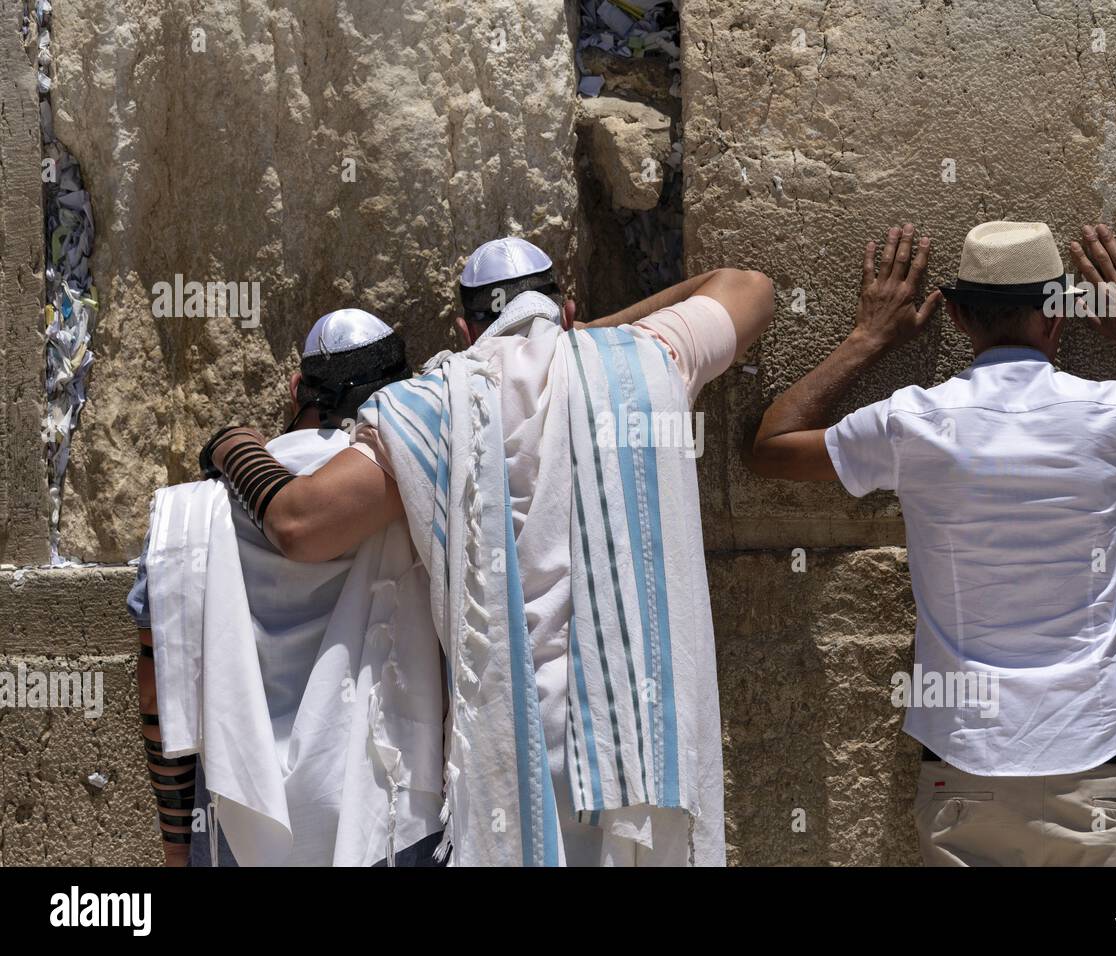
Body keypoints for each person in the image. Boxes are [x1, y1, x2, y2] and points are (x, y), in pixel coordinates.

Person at [198, 237, 775, 866]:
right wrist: (566, 341)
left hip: (519, 750)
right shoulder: (649, 356)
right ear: (569, 307)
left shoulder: (433, 408)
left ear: (464, 327)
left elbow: (297, 521)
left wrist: (232, 444)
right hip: (636, 744)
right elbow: (746, 284)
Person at [747, 220, 1116, 866]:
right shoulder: (1115, 414)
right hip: (1096, 754)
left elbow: (772, 448)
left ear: (960, 316)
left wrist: (868, 338)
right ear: (1057, 318)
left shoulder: (914, 422)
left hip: (967, 762)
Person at [129, 309, 447, 867]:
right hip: (390, 821)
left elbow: (161, 695)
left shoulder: (191, 518)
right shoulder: (415, 493)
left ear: (297, 387)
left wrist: (178, 846)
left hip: (239, 823)